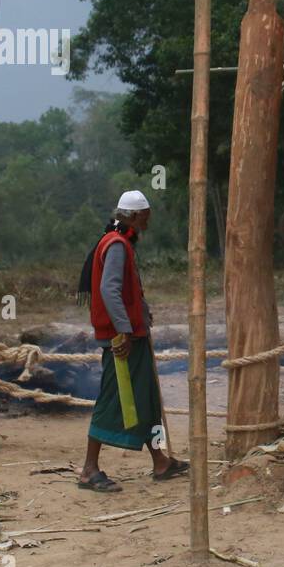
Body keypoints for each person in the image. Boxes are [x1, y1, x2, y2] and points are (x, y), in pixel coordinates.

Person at [76, 190, 187, 492]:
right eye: (146, 214)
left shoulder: (121, 241)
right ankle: (88, 470)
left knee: (146, 399)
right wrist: (123, 331)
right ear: (135, 216)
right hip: (121, 339)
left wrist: (143, 314)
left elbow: (129, 290)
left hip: (133, 334)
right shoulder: (116, 245)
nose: (149, 219)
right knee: (112, 399)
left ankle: (160, 461)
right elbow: (109, 290)